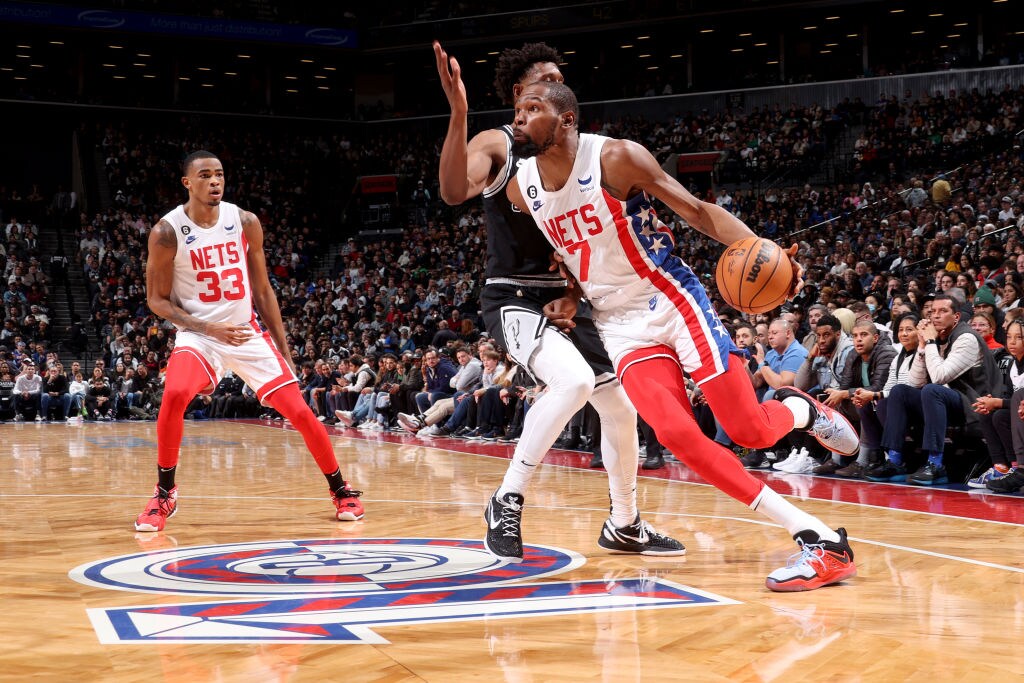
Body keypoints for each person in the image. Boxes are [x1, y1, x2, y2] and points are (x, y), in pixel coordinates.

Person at [507, 80, 858, 591]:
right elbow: (571, 255)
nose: (518, 119)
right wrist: (573, 295)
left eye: (532, 109)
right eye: (516, 110)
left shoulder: (616, 159)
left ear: (565, 120)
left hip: (670, 299)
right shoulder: (522, 186)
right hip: (618, 324)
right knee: (677, 436)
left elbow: (696, 211)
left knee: (749, 432)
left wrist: (772, 253)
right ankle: (821, 539)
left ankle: (802, 410)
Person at [435, 41, 684, 560]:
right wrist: (459, 111)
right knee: (572, 382)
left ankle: (625, 522)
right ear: (518, 95)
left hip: (571, 298)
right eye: (543, 79)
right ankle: (506, 497)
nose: (555, 84)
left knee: (620, 409)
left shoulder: (577, 149)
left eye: (559, 78)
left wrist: (576, 289)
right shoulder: (499, 144)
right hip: (514, 295)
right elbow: (454, 189)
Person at [135, 149, 363, 532]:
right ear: (187, 183)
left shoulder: (244, 221)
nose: (215, 182)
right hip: (199, 335)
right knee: (174, 395)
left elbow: (262, 288)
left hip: (246, 333)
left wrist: (286, 352)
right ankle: (164, 494)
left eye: (219, 174)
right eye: (205, 175)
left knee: (302, 413)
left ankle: (341, 490)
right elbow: (156, 300)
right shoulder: (167, 232)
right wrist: (208, 329)